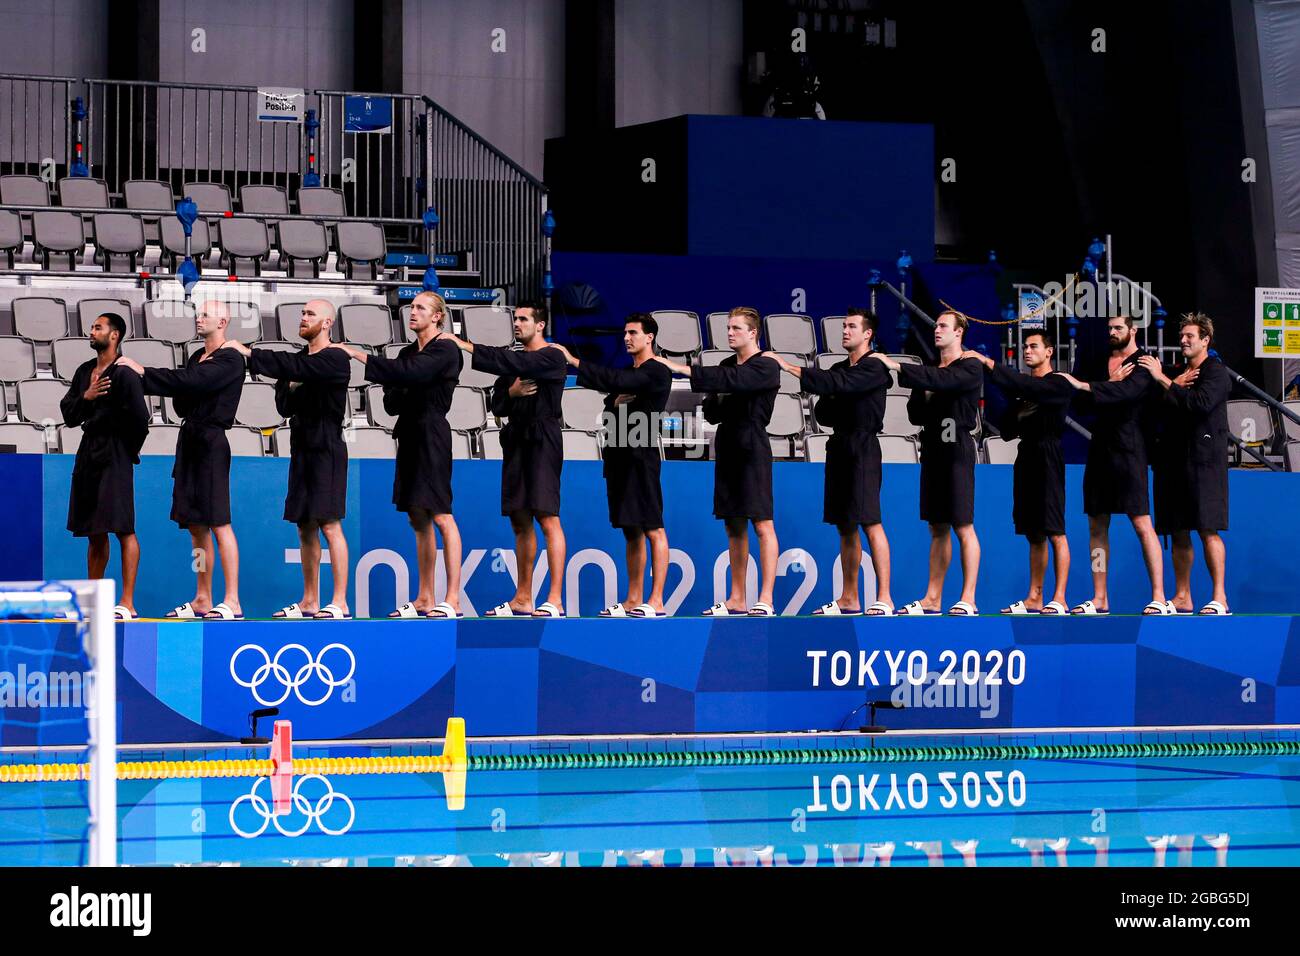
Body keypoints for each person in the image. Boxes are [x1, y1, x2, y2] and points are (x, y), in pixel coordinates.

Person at [332, 291, 466, 618]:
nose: (413, 311)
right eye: (412, 306)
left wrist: (357, 354)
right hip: (408, 432)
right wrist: (400, 378)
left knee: (440, 514)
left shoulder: (446, 348)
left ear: (437, 316)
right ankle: (424, 598)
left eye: (421, 307)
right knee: (416, 515)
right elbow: (392, 402)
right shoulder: (407, 352)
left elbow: (408, 376)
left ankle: (452, 599)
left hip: (432, 432)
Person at [117, 299, 246, 619]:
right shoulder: (196, 356)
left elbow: (192, 383)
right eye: (198, 314)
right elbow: (184, 401)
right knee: (197, 528)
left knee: (219, 523)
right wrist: (183, 389)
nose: (199, 319)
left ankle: (232, 600)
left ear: (223, 322)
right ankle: (203, 597)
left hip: (212, 443)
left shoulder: (230, 358)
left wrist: (144, 372)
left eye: (206, 315)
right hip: (189, 442)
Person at [223, 299, 351, 619]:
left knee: (330, 524)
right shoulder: (295, 361)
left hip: (327, 449)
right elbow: (283, 404)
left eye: (310, 314)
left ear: (326, 323)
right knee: (304, 525)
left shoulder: (336, 357)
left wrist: (252, 354)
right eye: (302, 313)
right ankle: (309, 600)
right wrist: (294, 378)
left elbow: (299, 372)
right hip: (302, 447)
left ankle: (339, 602)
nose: (303, 318)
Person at [765, 307, 895, 615]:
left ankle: (885, 597)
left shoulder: (875, 366)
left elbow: (838, 387)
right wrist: (837, 390)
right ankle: (849, 598)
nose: (845, 330)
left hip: (863, 447)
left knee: (870, 522)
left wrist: (789, 367)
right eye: (844, 326)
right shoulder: (838, 367)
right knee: (845, 526)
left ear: (868, 334)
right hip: (838, 446)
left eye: (852, 326)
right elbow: (824, 412)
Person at [656, 307, 781, 616]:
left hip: (753, 443)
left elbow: (738, 381)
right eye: (728, 327)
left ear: (752, 333)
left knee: (762, 523)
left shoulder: (766, 364)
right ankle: (737, 598)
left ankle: (765, 598)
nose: (729, 333)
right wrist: (723, 391)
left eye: (736, 328)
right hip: (727, 444)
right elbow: (712, 411)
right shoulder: (725, 365)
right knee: (733, 524)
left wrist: (684, 370)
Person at [446, 302, 568, 617]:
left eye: (524, 319)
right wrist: (511, 394)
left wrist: (467, 345)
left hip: (543, 438)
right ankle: (523, 598)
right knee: (519, 518)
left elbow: (513, 361)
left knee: (547, 516)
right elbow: (498, 403)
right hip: (515, 440)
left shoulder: (552, 356)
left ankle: (554, 599)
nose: (517, 323)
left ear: (540, 325)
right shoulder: (512, 361)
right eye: (515, 319)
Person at [549, 314, 673, 617]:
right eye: (625, 333)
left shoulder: (657, 371)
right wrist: (616, 400)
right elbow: (611, 400)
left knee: (652, 528)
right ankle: (633, 600)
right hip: (618, 456)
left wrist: (575, 362)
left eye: (633, 333)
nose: (627, 338)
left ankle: (656, 601)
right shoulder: (626, 372)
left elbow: (619, 384)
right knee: (631, 530)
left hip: (642, 457)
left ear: (650, 337)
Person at [1057, 314, 1171, 615]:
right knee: (1096, 524)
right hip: (1100, 450)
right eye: (1109, 328)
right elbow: (1080, 405)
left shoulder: (1145, 362)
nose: (1112, 332)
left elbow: (1126, 393)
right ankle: (1099, 597)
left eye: (1118, 327)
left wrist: (1088, 386)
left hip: (1130, 449)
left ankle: (1159, 596)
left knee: (1142, 523)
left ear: (1133, 330)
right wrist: (1101, 384)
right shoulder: (1100, 363)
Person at [870, 311, 982, 615]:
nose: (937, 330)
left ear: (959, 333)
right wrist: (928, 389)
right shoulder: (930, 371)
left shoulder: (971, 365)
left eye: (944, 326)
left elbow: (949, 381)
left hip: (957, 448)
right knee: (937, 527)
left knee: (963, 525)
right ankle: (933, 598)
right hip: (932, 448)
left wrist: (898, 366)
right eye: (936, 325)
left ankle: (968, 598)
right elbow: (915, 414)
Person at [964, 331, 1073, 614]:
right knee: (1034, 533)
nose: (1027, 351)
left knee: (1055, 530)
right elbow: (1009, 428)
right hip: (1026, 457)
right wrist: (1022, 409)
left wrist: (988, 363)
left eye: (1034, 346)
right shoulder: (1025, 389)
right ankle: (1035, 597)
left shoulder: (1058, 382)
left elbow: (1027, 388)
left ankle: (1059, 598)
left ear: (1049, 352)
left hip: (1049, 455)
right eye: (1024, 346)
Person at [1137, 313, 1231, 615]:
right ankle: (1182, 596)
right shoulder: (1177, 372)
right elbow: (1153, 410)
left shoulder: (1216, 372)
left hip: (1204, 464)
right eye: (1182, 336)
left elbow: (1199, 404)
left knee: (1207, 529)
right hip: (1172, 463)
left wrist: (1164, 381)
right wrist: (1172, 382)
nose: (1184, 340)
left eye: (1191, 336)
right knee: (1178, 530)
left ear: (1206, 340)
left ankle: (1219, 598)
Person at [59, 311, 150, 621]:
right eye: (92, 327)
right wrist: (86, 396)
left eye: (98, 327)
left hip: (115, 452)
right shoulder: (85, 370)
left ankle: (127, 603)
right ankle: (91, 602)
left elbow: (141, 419)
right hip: (88, 452)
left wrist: (126, 450)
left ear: (115, 335)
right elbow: (69, 415)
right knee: (93, 531)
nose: (91, 331)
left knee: (123, 528)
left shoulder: (124, 372)